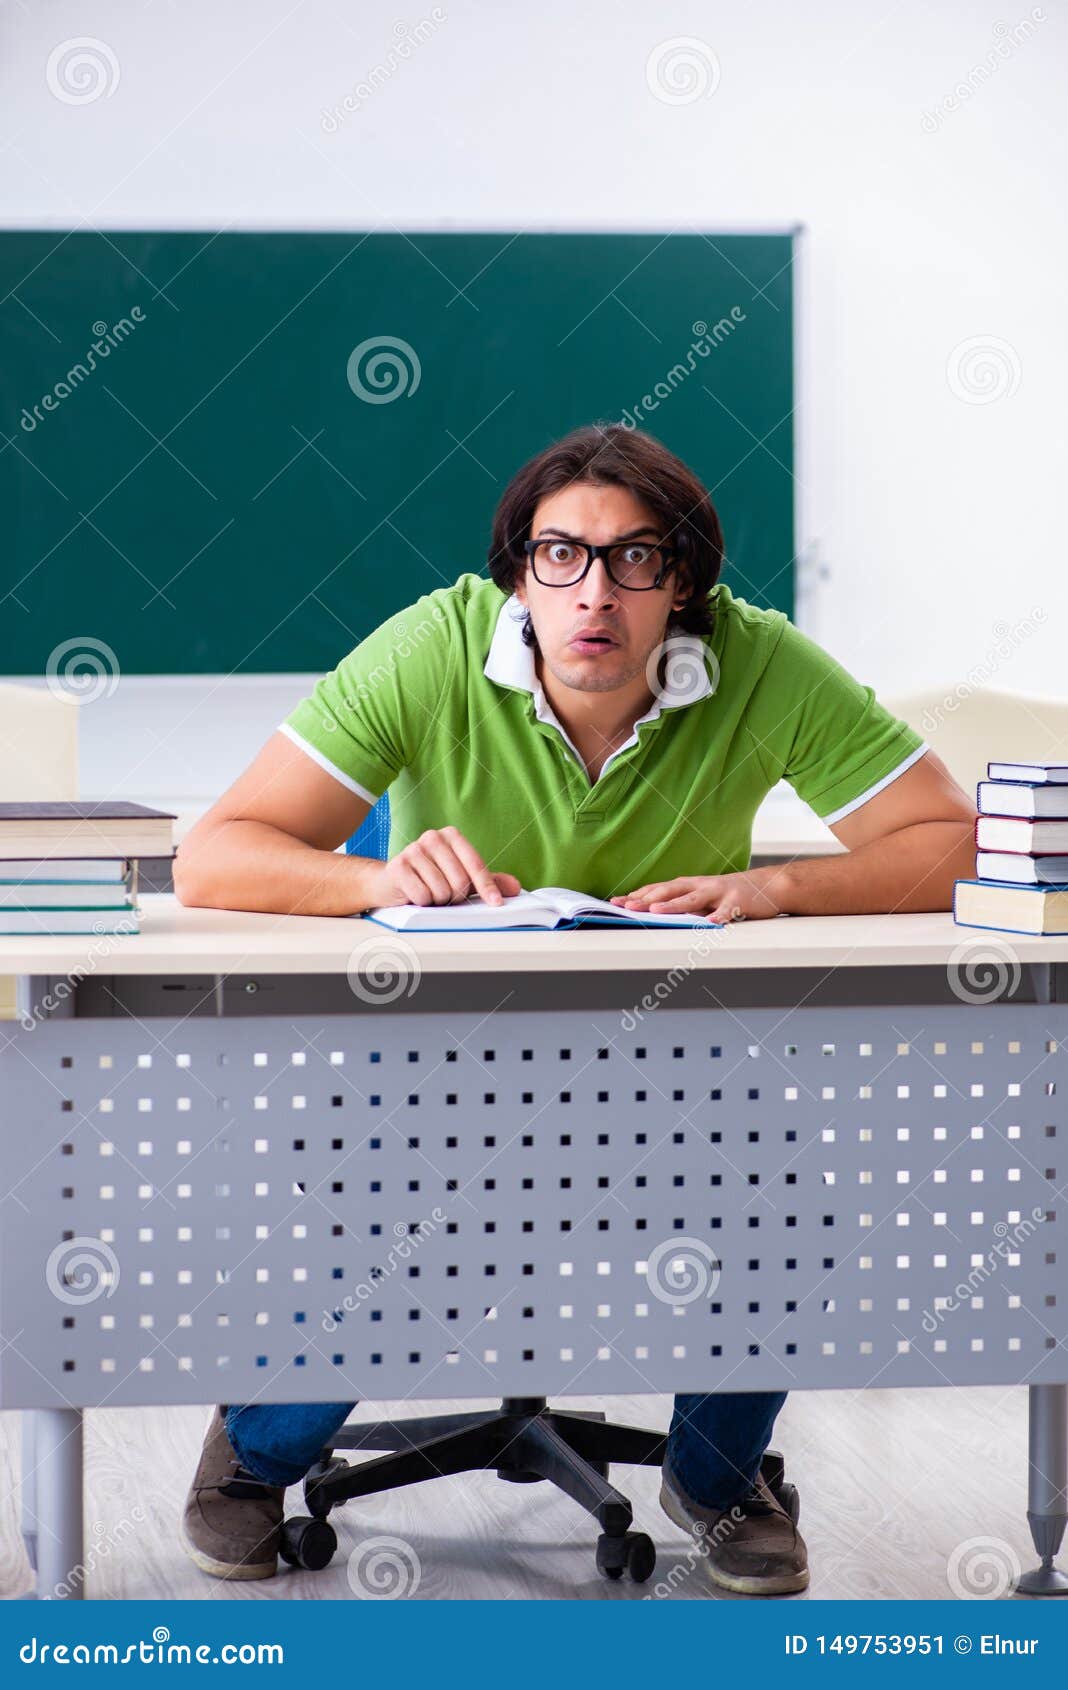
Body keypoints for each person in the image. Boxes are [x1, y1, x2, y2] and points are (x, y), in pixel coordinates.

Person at [174, 422, 977, 1593]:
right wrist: (378, 878)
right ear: (519, 573)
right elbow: (215, 855)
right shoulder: (433, 648)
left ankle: (717, 1476)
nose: (594, 592)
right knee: (401, 1227)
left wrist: (775, 886)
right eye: (561, 556)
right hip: (438, 1067)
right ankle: (254, 1453)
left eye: (635, 559)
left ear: (685, 584)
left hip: (679, 1067)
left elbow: (955, 841)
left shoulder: (757, 663)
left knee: (784, 1197)